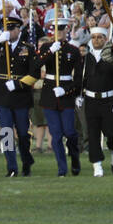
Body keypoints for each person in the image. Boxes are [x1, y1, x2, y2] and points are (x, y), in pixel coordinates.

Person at [0, 16, 36, 177]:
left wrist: (18, 84)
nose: (9, 32)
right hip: (3, 96)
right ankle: (12, 167)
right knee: (7, 132)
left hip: (21, 95)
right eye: (7, 29)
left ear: (19, 30)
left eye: (12, 29)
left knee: (23, 134)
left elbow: (34, 74)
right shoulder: (0, 46)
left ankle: (26, 162)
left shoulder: (28, 48)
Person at [36, 19, 83, 177]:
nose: (59, 32)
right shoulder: (47, 47)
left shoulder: (74, 51)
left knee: (70, 132)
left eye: (61, 29)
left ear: (67, 30)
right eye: (56, 29)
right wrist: (50, 52)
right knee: (56, 135)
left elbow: (78, 80)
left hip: (66, 94)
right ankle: (62, 168)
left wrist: (66, 90)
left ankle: (75, 160)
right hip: (50, 92)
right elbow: (36, 65)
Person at [77, 27, 113, 178]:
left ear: (105, 39)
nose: (96, 40)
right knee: (92, 133)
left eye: (99, 37)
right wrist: (79, 95)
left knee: (111, 132)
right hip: (91, 101)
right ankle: (97, 165)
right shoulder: (86, 59)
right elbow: (81, 78)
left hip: (108, 100)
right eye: (94, 37)